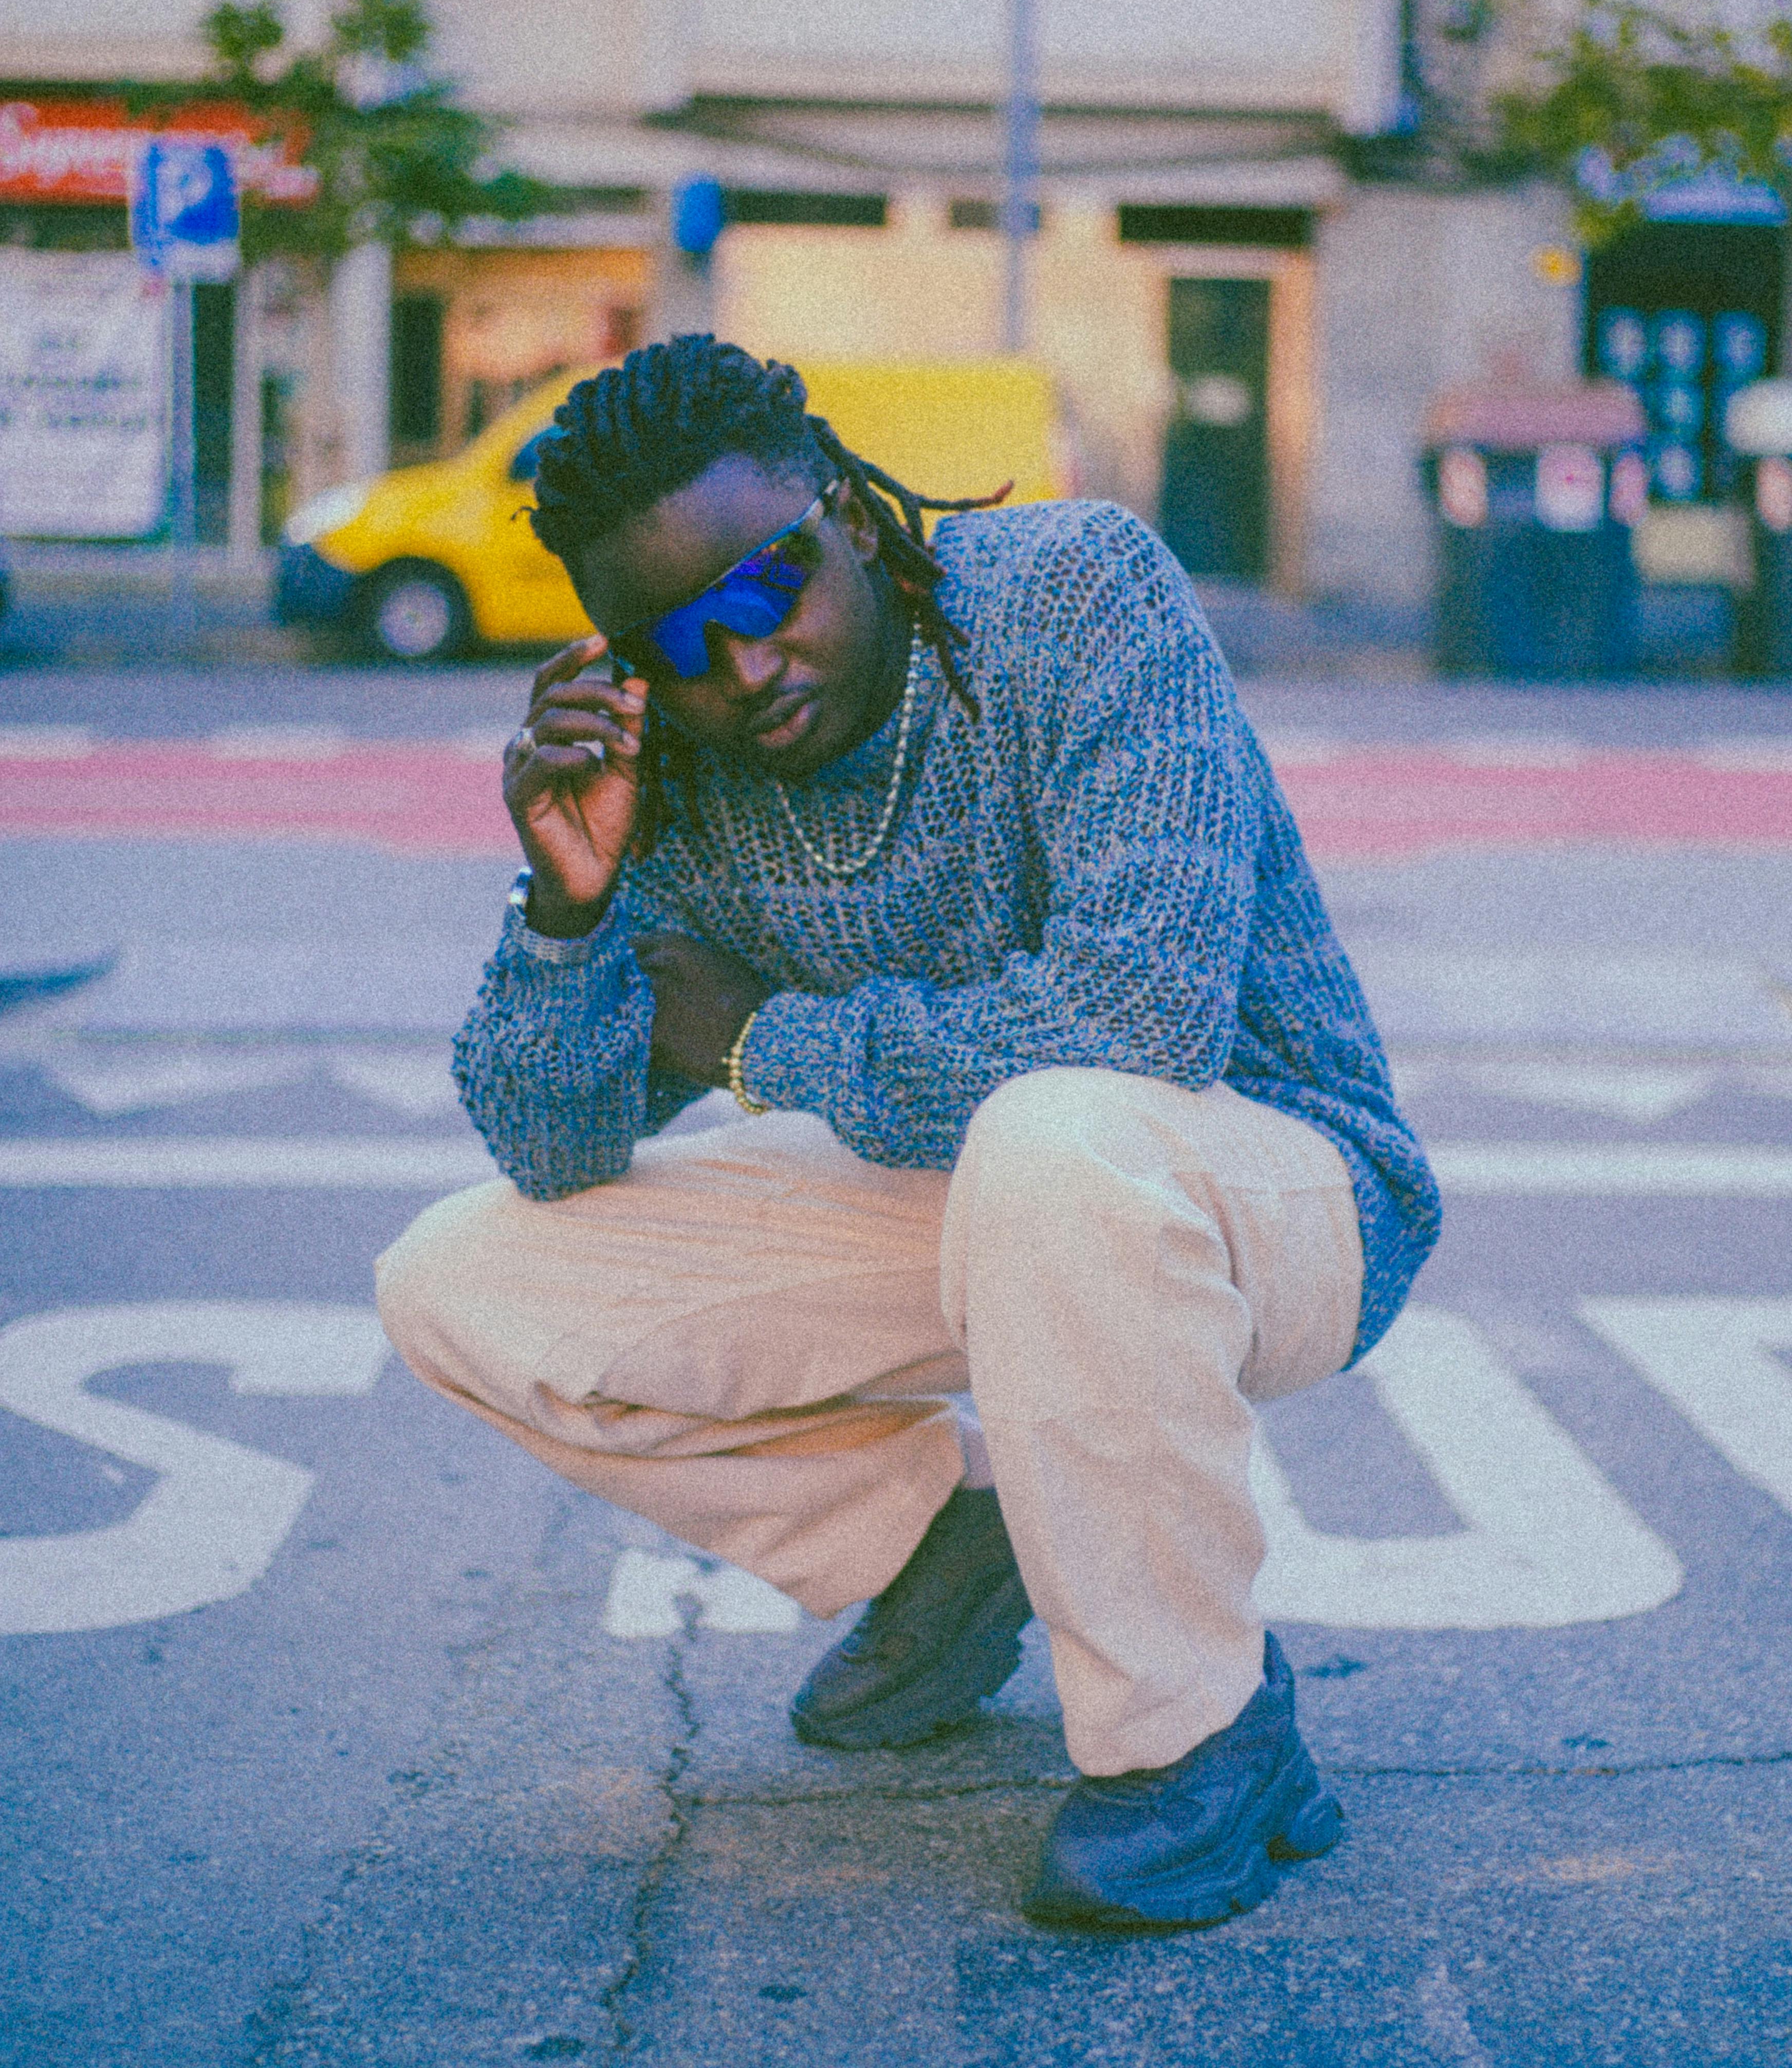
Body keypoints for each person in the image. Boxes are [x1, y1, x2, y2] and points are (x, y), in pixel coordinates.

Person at [375, 334, 1440, 1933]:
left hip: (1275, 1178)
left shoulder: (1077, 592)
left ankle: (1201, 1736)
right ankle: (952, 1549)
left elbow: (1136, 1018)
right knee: (458, 1276)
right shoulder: (682, 776)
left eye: (764, 587)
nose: (744, 667)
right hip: (981, 1187)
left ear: (850, 517)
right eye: (673, 641)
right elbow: (553, 1143)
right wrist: (566, 906)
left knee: (1055, 1135)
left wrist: (757, 1034)